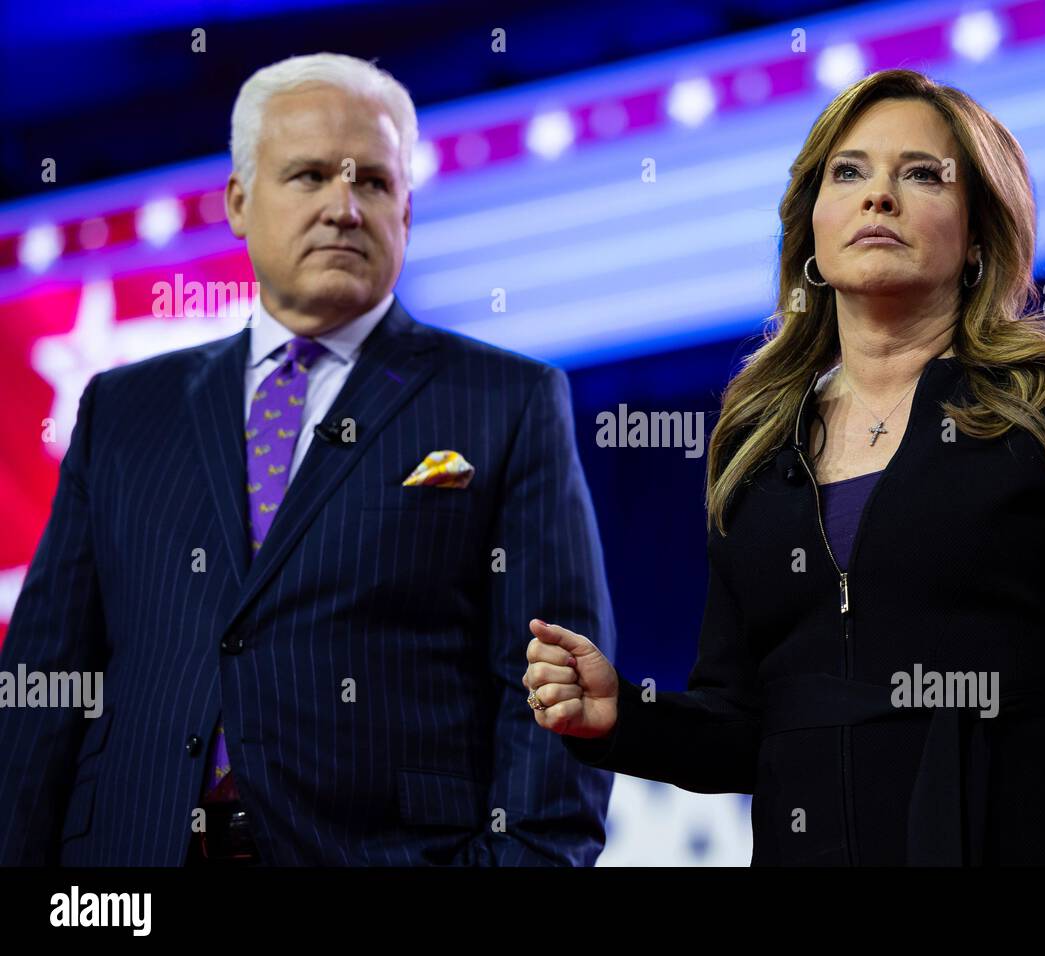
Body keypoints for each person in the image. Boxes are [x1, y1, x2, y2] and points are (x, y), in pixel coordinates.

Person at [522, 69, 1045, 866]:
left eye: (921, 174)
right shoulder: (756, 438)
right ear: (811, 231)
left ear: (980, 233)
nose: (878, 196)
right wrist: (623, 715)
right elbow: (745, 721)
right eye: (848, 172)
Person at [0, 53, 615, 866]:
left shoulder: (508, 402)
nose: (344, 208)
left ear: (407, 212)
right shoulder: (123, 411)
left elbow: (552, 690)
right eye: (310, 175)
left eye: (375, 184)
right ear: (238, 202)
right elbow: (42, 683)